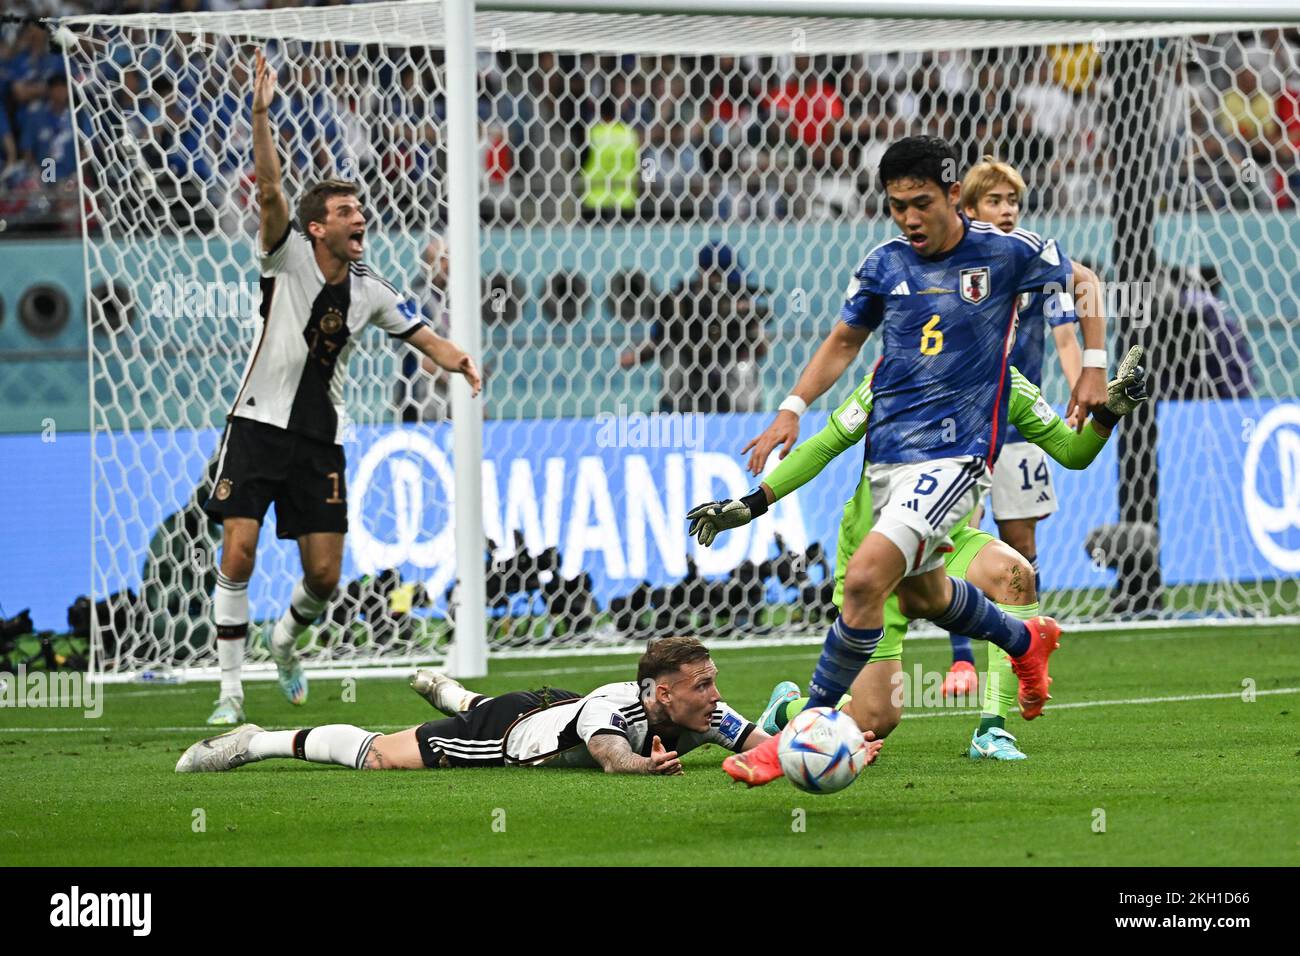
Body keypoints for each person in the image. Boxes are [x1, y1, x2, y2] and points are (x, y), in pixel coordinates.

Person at [705, 136, 1079, 786]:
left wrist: (1092, 373)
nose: (908, 218)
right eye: (896, 205)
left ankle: (796, 730)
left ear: (952, 195)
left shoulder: (1005, 251)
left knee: (863, 579)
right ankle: (1025, 640)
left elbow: (1082, 282)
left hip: (957, 460)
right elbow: (843, 341)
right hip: (889, 472)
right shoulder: (883, 268)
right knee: (921, 602)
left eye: (921, 203)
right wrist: (792, 406)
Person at [689, 347, 1148, 763]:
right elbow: (826, 444)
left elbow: (1073, 453)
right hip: (876, 553)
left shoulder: (1009, 386)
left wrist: (1109, 413)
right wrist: (752, 504)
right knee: (875, 720)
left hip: (945, 544)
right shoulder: (894, 375)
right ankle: (788, 708)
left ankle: (992, 732)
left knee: (1015, 574)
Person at [201, 51, 481, 726]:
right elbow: (270, 192)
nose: (361, 217)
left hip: (319, 441)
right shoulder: (286, 254)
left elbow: (424, 336)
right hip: (256, 426)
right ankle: (230, 694)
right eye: (347, 209)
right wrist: (261, 116)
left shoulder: (371, 291)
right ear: (318, 226)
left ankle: (286, 642)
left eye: (362, 208)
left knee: (324, 576)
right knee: (237, 552)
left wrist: (461, 361)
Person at [939, 157, 1109, 697]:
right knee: (954, 535)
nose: (1007, 210)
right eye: (995, 201)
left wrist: (1084, 377)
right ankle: (962, 658)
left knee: (1019, 541)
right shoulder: (947, 264)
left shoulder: (1034, 262)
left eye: (1013, 201)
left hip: (1018, 417)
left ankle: (1025, 643)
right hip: (962, 423)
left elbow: (1065, 332)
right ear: (967, 208)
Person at [174, 636, 818, 774]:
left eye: (713, 682)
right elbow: (609, 753)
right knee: (381, 757)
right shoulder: (612, 711)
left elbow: (763, 747)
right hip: (508, 734)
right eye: (701, 685)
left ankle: (449, 691)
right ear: (662, 692)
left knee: (502, 705)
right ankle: (255, 740)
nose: (714, 696)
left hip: (549, 708)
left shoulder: (701, 715)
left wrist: (822, 745)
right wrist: (638, 769)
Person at [619, 241, 767, 413]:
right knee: (673, 355)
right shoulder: (680, 303)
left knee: (743, 365)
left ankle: (745, 418)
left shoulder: (738, 305)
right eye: (720, 277)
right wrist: (633, 357)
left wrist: (749, 322)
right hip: (686, 381)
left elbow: (762, 350)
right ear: (706, 273)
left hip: (727, 382)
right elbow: (656, 342)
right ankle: (672, 412)